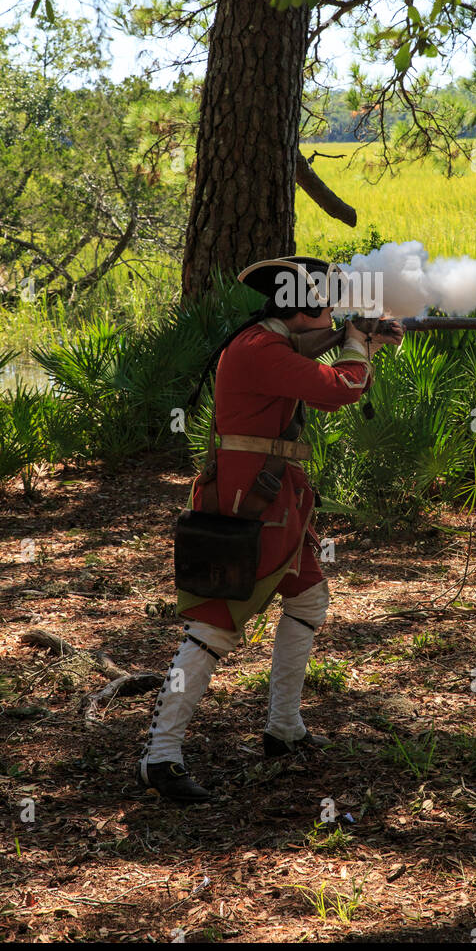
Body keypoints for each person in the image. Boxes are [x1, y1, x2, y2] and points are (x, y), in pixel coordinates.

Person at [137, 256, 403, 803]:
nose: (333, 311)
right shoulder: (261, 350)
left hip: (276, 499)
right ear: (303, 307)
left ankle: (284, 728)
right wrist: (356, 347)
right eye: (326, 304)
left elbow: (321, 372)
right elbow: (341, 391)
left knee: (307, 601)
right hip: (249, 502)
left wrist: (361, 341)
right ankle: (160, 756)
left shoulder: (271, 342)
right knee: (213, 628)